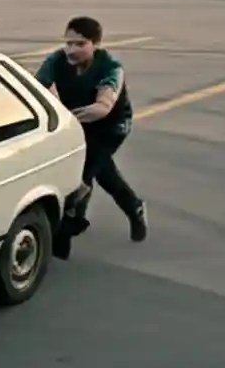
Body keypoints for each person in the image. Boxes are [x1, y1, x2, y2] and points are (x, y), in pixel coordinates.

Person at [35, 16, 148, 243]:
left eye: (80, 44)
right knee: (102, 172)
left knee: (83, 172)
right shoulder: (56, 60)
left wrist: (67, 117)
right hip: (80, 123)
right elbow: (36, 88)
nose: (72, 50)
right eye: (68, 43)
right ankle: (134, 207)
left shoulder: (110, 67)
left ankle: (69, 227)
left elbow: (102, 107)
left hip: (111, 127)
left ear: (95, 44)